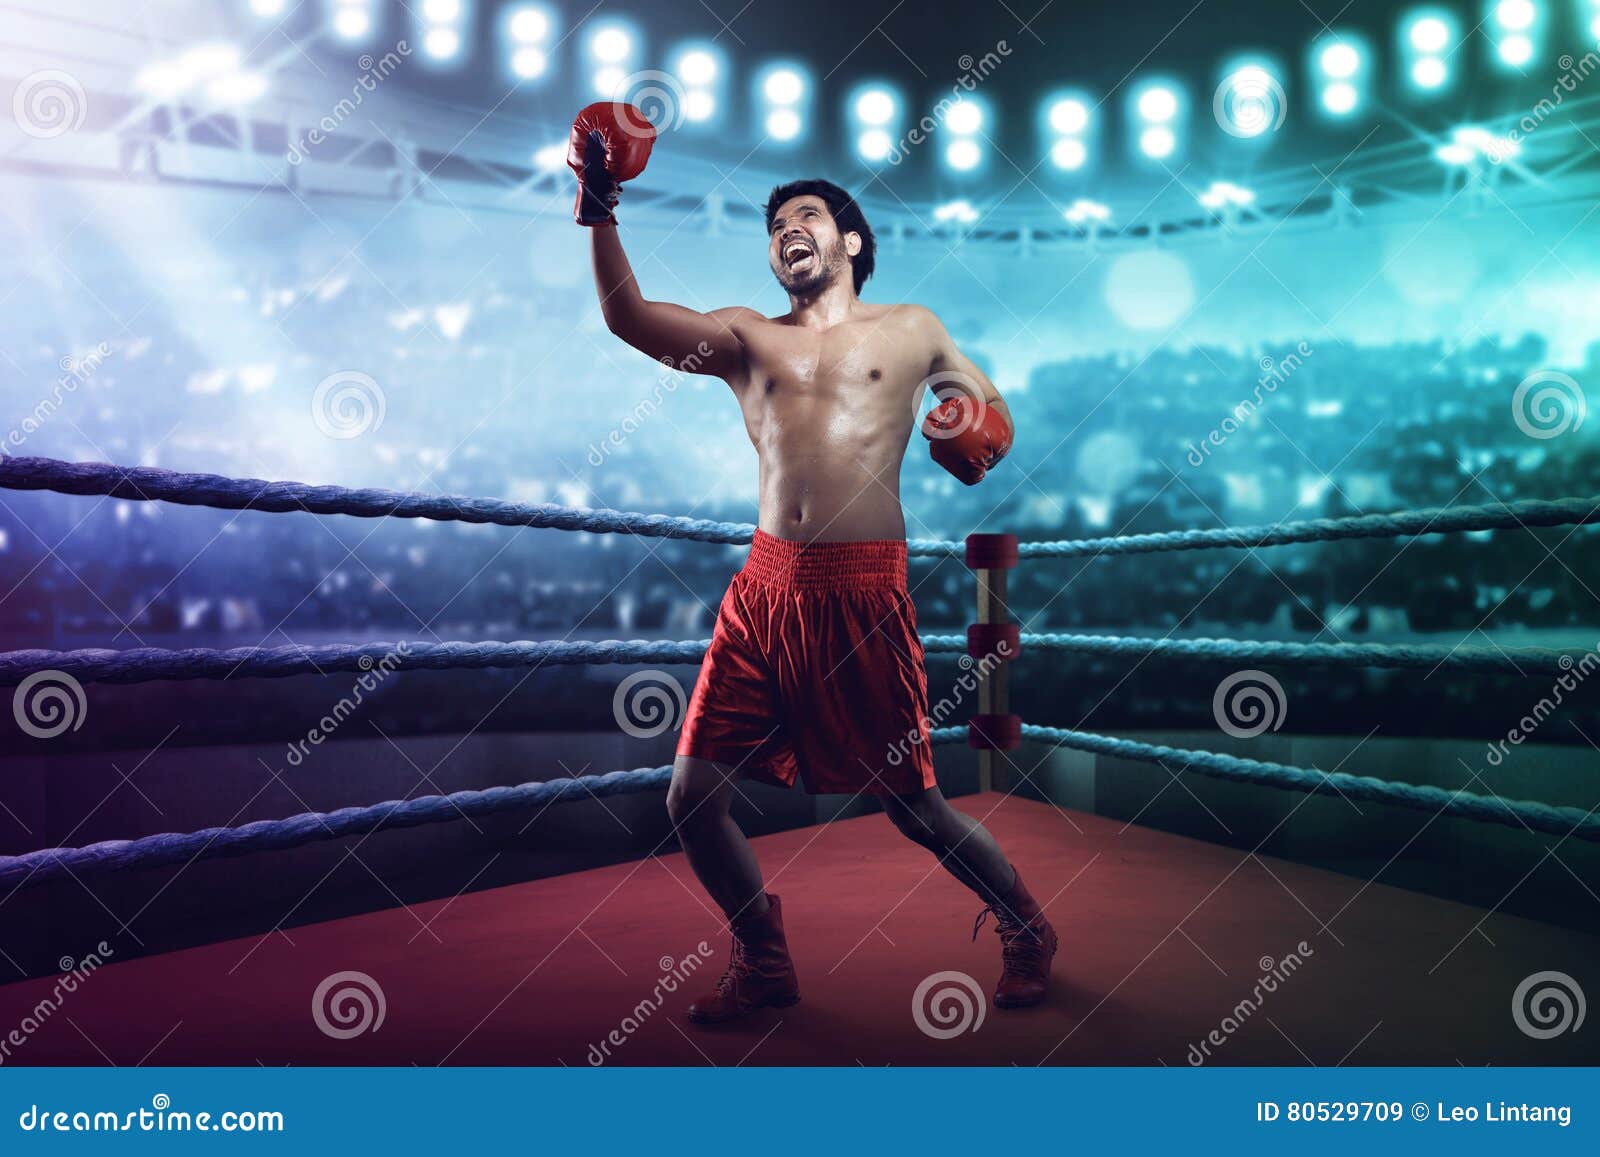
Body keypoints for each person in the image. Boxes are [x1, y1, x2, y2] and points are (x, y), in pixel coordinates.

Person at [570, 102, 1056, 1025]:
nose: (788, 231)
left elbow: (986, 401)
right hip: (763, 591)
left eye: (806, 218)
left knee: (914, 808)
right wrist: (600, 205)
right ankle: (764, 956)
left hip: (862, 594)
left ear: (852, 239)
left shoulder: (912, 328)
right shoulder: (750, 339)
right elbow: (629, 317)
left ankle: (1027, 924)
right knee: (691, 797)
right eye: (775, 225)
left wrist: (971, 422)